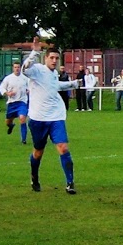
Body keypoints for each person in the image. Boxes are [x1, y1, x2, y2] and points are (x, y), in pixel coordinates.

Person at [23, 38, 81, 194]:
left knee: (63, 148)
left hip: (56, 117)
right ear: (45, 59)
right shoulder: (37, 70)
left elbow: (55, 86)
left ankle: (70, 183)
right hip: (38, 119)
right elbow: (24, 70)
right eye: (52, 58)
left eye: (57, 58)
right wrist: (34, 52)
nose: (55, 61)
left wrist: (73, 84)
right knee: (38, 152)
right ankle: (34, 177)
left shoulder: (54, 74)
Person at [0, 61, 31, 143]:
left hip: (22, 102)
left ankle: (23, 139)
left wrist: (28, 91)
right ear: (13, 68)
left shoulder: (25, 78)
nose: (17, 69)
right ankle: (11, 125)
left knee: (22, 119)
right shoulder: (8, 78)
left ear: (20, 68)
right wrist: (8, 93)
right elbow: (2, 88)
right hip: (12, 103)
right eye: (15, 67)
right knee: (8, 121)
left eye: (18, 67)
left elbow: (30, 87)